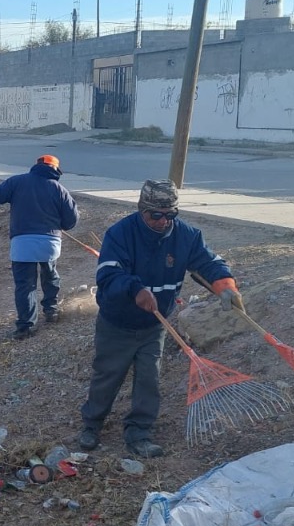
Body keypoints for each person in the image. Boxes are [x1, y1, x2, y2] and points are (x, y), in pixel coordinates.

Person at [79, 180, 242, 459]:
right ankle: (92, 424)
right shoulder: (120, 234)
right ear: (143, 210)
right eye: (156, 215)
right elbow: (108, 275)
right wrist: (135, 290)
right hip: (117, 322)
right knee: (108, 374)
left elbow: (209, 263)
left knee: (149, 378)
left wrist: (225, 286)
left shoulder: (187, 236)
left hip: (155, 324)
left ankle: (139, 432)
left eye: (170, 215)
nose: (163, 221)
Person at [0, 155, 80, 340]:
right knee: (50, 274)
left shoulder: (17, 181)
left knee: (25, 285)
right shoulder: (60, 190)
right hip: (50, 243)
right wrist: (59, 224)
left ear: (36, 166)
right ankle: (51, 310)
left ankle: (26, 326)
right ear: (56, 170)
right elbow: (71, 220)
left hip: (22, 243)